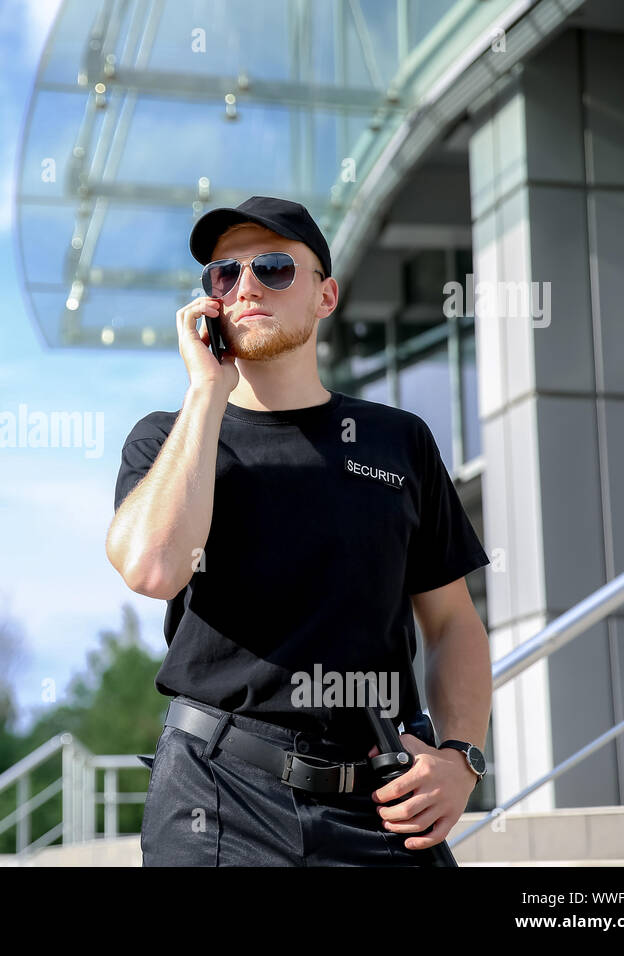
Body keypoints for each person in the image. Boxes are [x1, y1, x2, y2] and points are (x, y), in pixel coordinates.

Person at [105, 196, 492, 866]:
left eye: (275, 268)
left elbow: (453, 621)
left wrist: (461, 757)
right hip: (216, 794)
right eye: (224, 275)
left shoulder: (398, 442)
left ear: (326, 294)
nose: (246, 286)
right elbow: (152, 568)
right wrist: (206, 393)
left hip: (380, 795)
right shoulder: (169, 439)